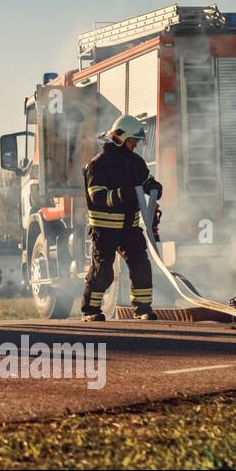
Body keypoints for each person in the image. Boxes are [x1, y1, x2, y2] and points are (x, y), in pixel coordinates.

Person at [81, 115, 162, 321]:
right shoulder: (98, 165)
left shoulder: (136, 162)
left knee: (141, 264)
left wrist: (153, 187)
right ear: (120, 138)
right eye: (132, 141)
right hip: (104, 228)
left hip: (130, 227)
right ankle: (90, 311)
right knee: (103, 270)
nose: (135, 145)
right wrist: (123, 194)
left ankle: (143, 309)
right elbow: (97, 197)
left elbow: (146, 179)